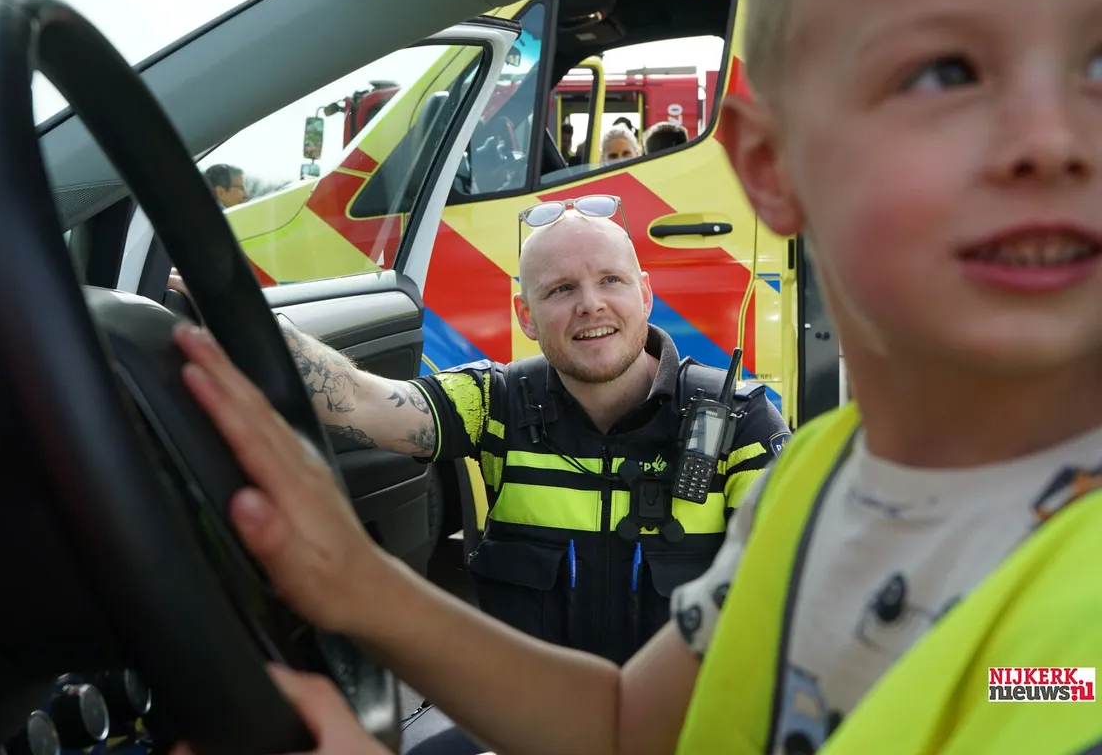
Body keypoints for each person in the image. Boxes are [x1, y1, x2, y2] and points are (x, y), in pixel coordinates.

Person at [169, 0, 1102, 750]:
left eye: (1099, 65)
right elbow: (628, 729)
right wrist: (356, 587)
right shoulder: (816, 489)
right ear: (769, 166)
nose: (1052, 139)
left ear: (647, 297)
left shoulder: (750, 436)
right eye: (945, 73)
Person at [272, 197, 789, 667]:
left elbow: (787, 611)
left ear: (645, 294)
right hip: (534, 726)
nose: (591, 304)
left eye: (611, 280)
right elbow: (359, 400)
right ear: (526, 317)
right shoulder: (493, 402)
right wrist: (235, 308)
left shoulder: (741, 424)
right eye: (561, 289)